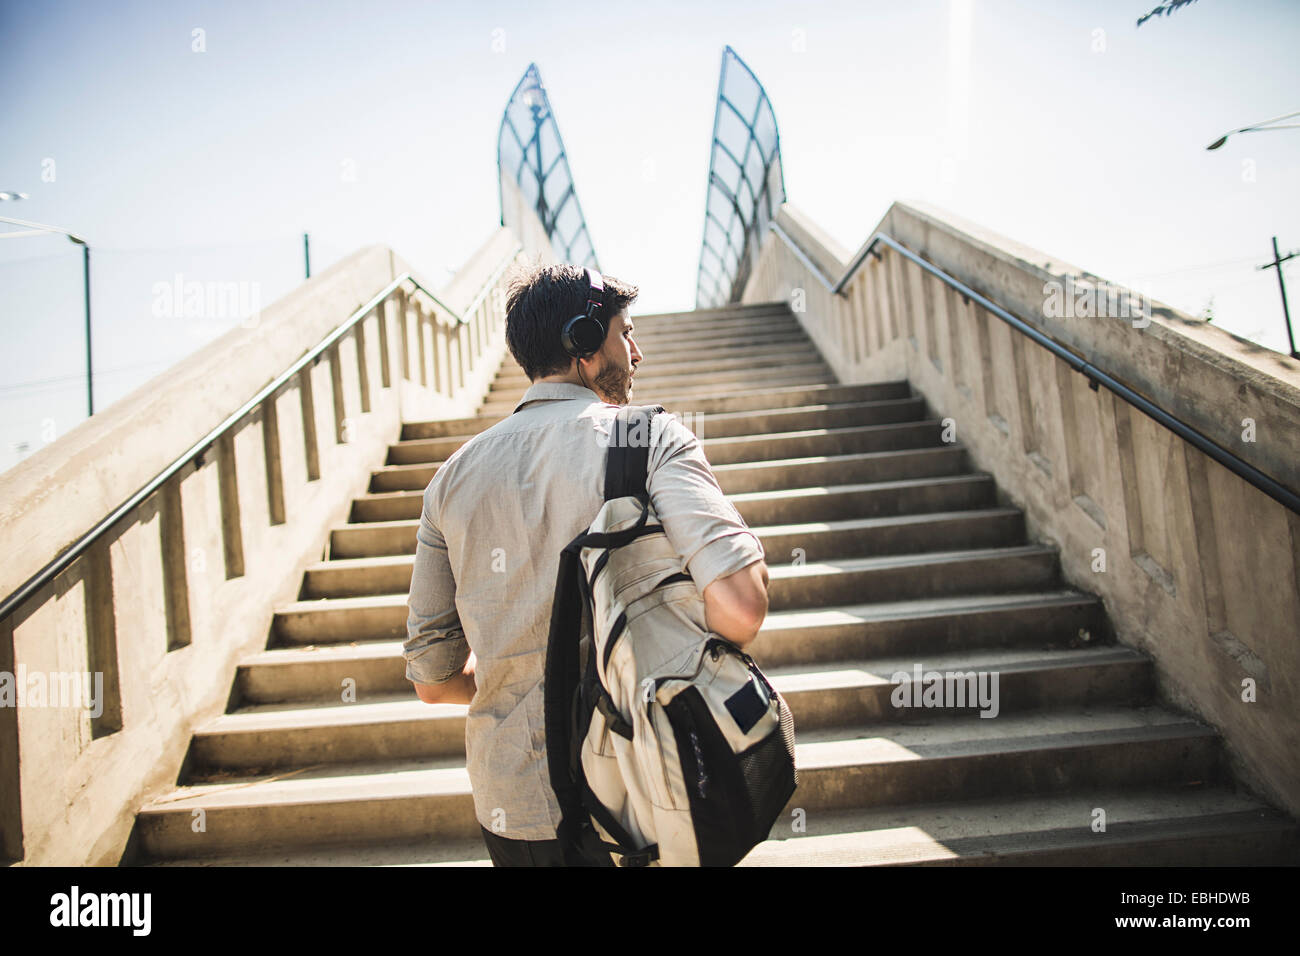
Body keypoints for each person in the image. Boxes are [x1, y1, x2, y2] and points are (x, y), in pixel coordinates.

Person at [403, 261, 770, 867]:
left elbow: (433, 679)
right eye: (625, 332)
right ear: (583, 341)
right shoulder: (648, 437)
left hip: (514, 807)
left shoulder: (449, 481)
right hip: (648, 792)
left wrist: (515, 677)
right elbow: (740, 605)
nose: (637, 353)